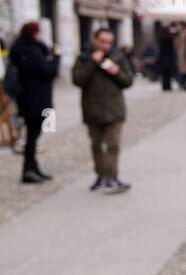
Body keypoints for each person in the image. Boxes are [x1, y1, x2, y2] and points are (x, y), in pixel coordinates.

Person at [71, 27, 134, 193]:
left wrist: (116, 71)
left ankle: (112, 178)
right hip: (93, 109)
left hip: (115, 109)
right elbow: (77, 80)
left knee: (113, 145)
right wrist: (92, 62)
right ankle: (101, 176)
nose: (106, 46)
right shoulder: (84, 57)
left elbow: (128, 80)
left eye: (109, 42)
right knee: (97, 145)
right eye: (103, 42)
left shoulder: (118, 57)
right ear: (95, 40)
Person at [8, 21, 61, 184]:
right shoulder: (32, 51)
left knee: (33, 136)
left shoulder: (23, 49)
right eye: (40, 31)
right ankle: (29, 170)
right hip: (36, 100)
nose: (42, 35)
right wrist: (57, 57)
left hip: (28, 99)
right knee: (33, 136)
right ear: (34, 33)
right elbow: (49, 72)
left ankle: (32, 167)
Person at [155, 21, 179, 91]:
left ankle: (167, 86)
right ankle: (166, 86)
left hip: (166, 57)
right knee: (166, 73)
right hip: (166, 57)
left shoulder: (163, 36)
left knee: (167, 73)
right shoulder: (165, 37)